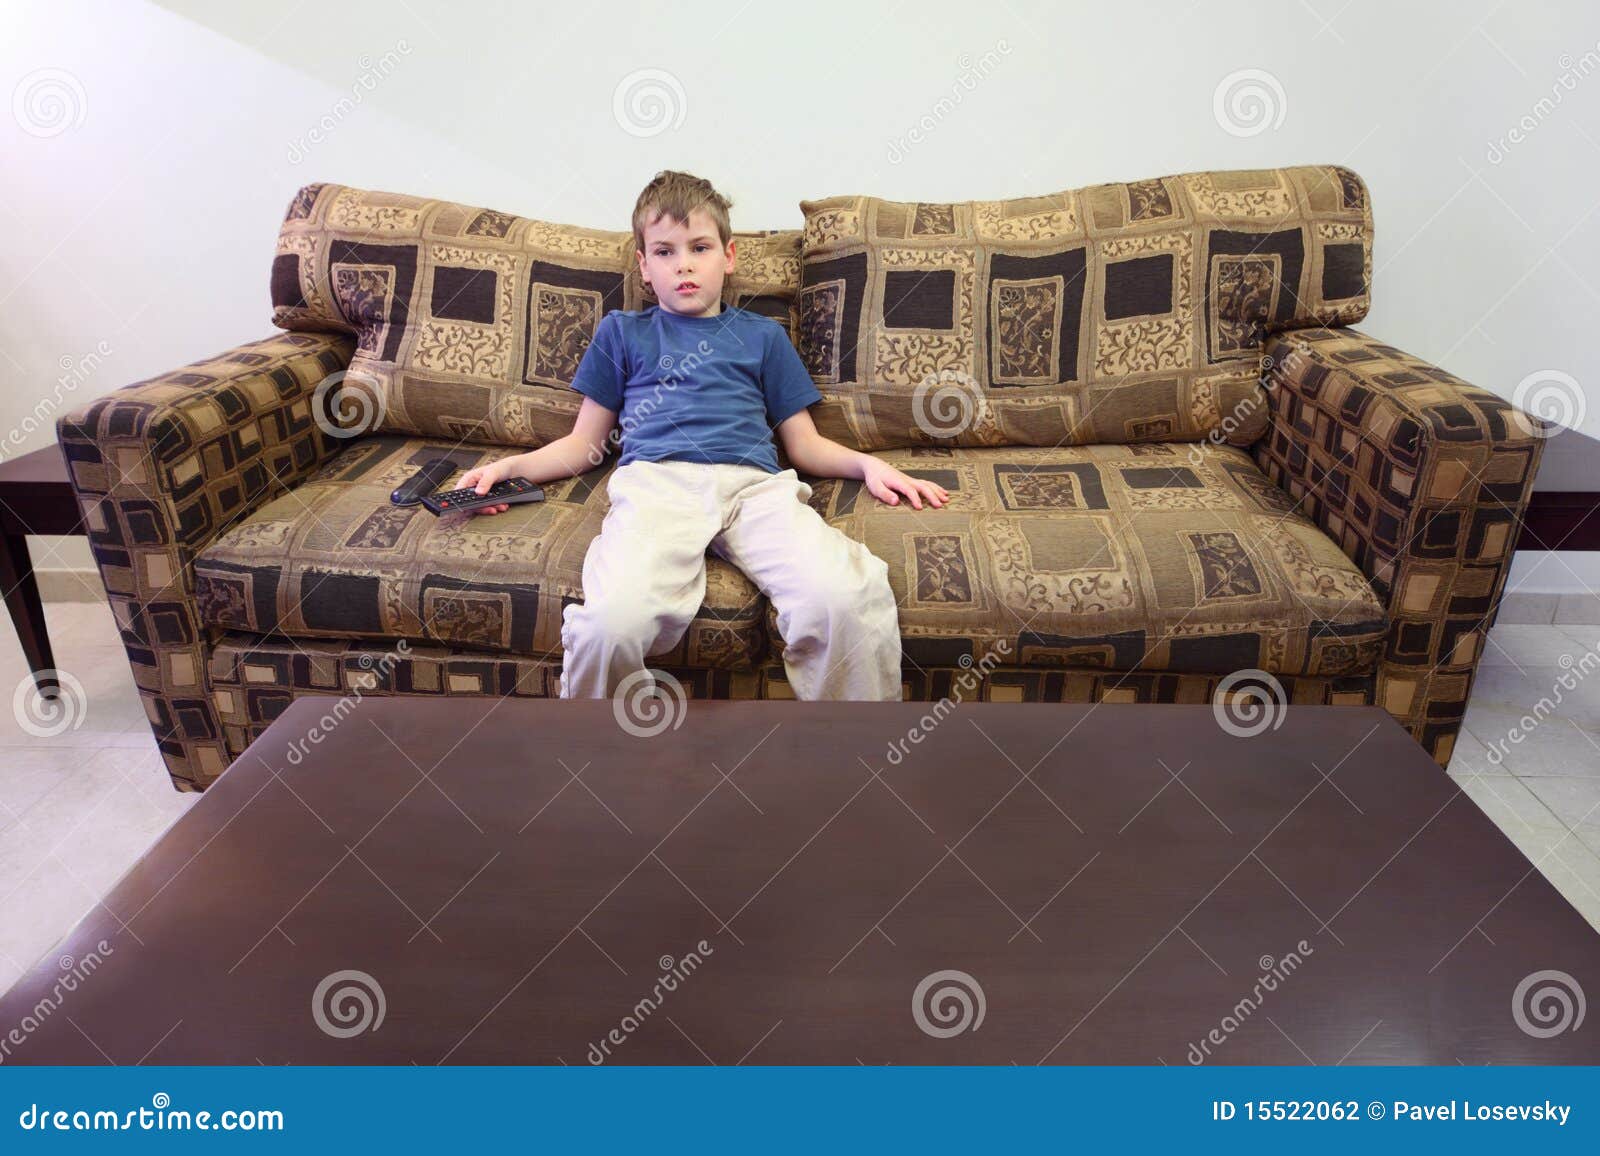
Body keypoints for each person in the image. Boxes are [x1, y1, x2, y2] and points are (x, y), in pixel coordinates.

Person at [457, 170, 948, 701]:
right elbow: (583, 445)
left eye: (699, 247)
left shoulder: (763, 336)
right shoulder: (622, 332)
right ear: (644, 266)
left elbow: (804, 446)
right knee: (610, 625)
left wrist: (870, 466)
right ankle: (599, 763)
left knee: (846, 597)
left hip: (755, 489)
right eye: (664, 251)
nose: (684, 264)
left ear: (728, 256)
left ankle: (855, 759)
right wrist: (506, 468)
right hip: (657, 487)